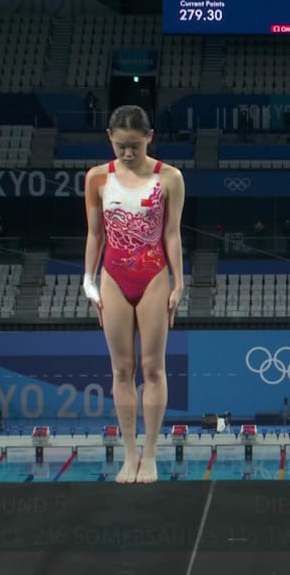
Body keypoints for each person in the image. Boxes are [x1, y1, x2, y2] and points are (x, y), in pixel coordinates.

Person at [82, 106, 185, 483]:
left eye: (135, 146)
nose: (128, 153)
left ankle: (152, 454)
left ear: (150, 137)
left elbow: (171, 233)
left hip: (154, 275)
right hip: (113, 276)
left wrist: (179, 282)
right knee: (121, 370)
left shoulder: (169, 178)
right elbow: (95, 234)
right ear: (109, 137)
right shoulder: (96, 178)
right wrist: (88, 282)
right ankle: (129, 454)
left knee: (153, 368)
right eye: (121, 146)